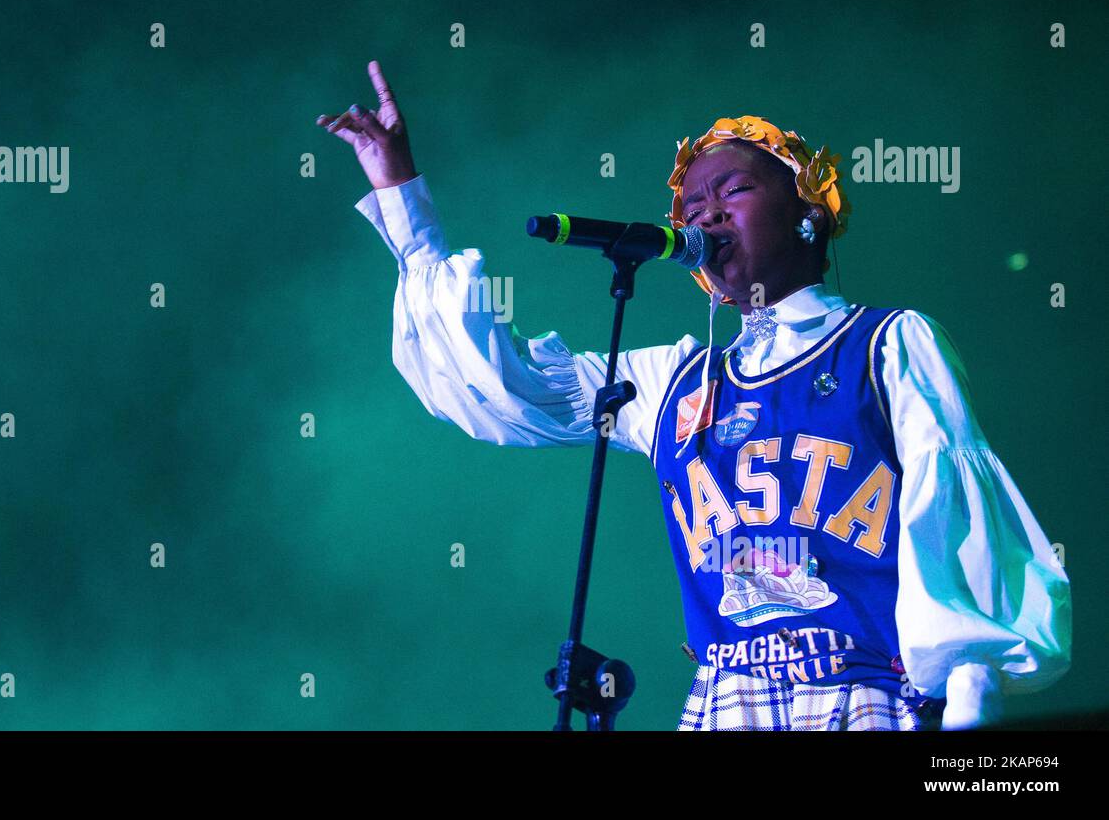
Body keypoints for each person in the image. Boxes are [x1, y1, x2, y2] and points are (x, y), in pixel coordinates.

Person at [317, 61, 1072, 731]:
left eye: (733, 188)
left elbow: (956, 517)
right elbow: (502, 392)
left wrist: (971, 717)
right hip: (723, 703)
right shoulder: (674, 381)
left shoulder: (888, 343)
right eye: (690, 208)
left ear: (809, 208)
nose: (703, 213)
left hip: (864, 695)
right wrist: (404, 203)